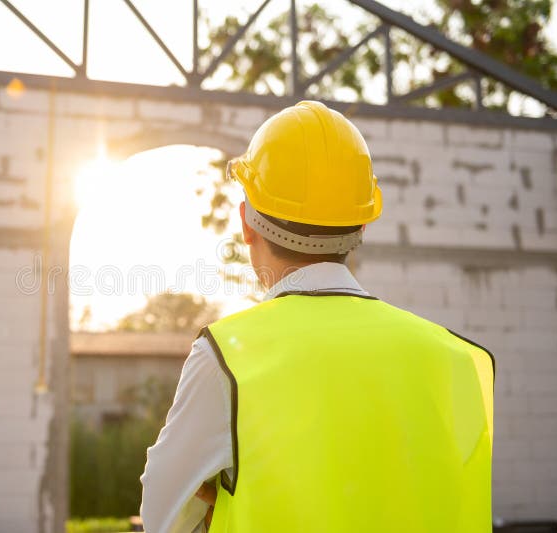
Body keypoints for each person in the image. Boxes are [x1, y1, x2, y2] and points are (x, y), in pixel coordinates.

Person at [139, 101, 494, 533]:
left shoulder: (227, 358)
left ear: (247, 224)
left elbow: (163, 514)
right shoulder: (455, 358)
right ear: (362, 225)